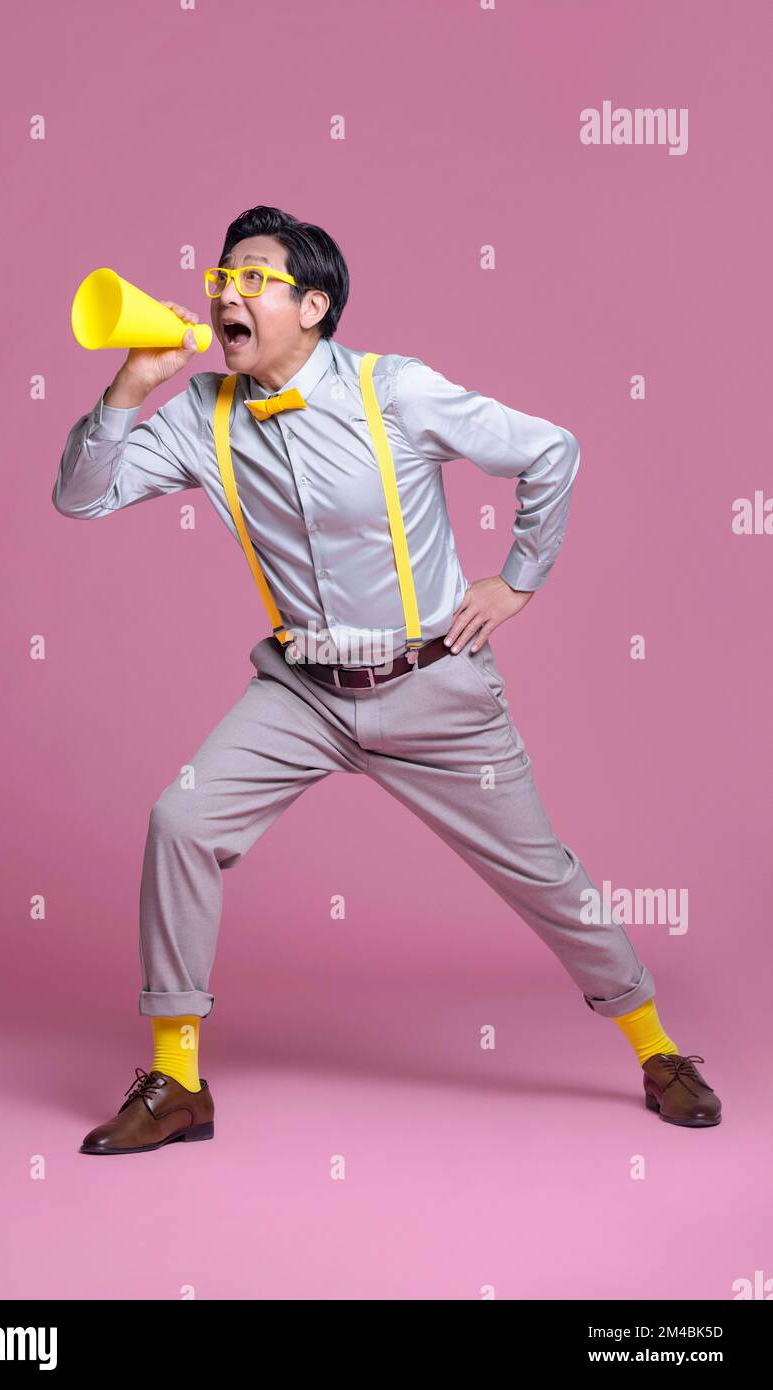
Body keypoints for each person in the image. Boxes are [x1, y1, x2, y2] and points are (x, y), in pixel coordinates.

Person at [52, 205, 722, 1154]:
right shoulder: (203, 413)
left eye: (252, 277)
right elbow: (81, 497)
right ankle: (176, 1081)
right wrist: (130, 384)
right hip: (301, 691)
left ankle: (656, 1049)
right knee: (181, 822)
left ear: (313, 305)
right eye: (219, 274)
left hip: (432, 687)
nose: (223, 291)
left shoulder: (394, 390)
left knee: (542, 877)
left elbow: (550, 450)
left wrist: (517, 578)